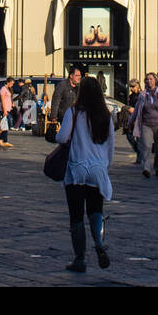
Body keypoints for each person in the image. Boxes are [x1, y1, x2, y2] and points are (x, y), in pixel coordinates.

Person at [57, 74, 115, 273]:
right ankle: (99, 243)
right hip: (97, 170)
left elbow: (63, 137)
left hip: (77, 169)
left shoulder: (73, 113)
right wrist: (105, 166)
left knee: (76, 216)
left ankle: (79, 258)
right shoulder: (106, 116)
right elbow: (111, 148)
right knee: (95, 210)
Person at [130, 72, 158, 178]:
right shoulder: (143, 95)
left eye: (151, 79)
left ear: (155, 81)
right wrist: (130, 121)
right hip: (146, 124)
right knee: (147, 146)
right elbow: (137, 110)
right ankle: (146, 168)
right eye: (147, 80)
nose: (149, 81)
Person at [48, 65, 84, 140]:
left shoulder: (80, 87)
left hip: (77, 115)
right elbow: (56, 100)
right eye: (77, 75)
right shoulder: (62, 85)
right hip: (64, 115)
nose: (79, 77)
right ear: (71, 76)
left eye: (80, 75)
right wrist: (53, 116)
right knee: (68, 135)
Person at [0, 78, 14, 148]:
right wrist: (4, 110)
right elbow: (2, 100)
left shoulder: (7, 89)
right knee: (5, 125)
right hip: (4, 110)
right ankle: (1, 139)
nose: (12, 85)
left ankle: (3, 140)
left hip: (8, 109)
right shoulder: (3, 89)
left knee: (5, 125)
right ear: (8, 82)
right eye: (11, 83)